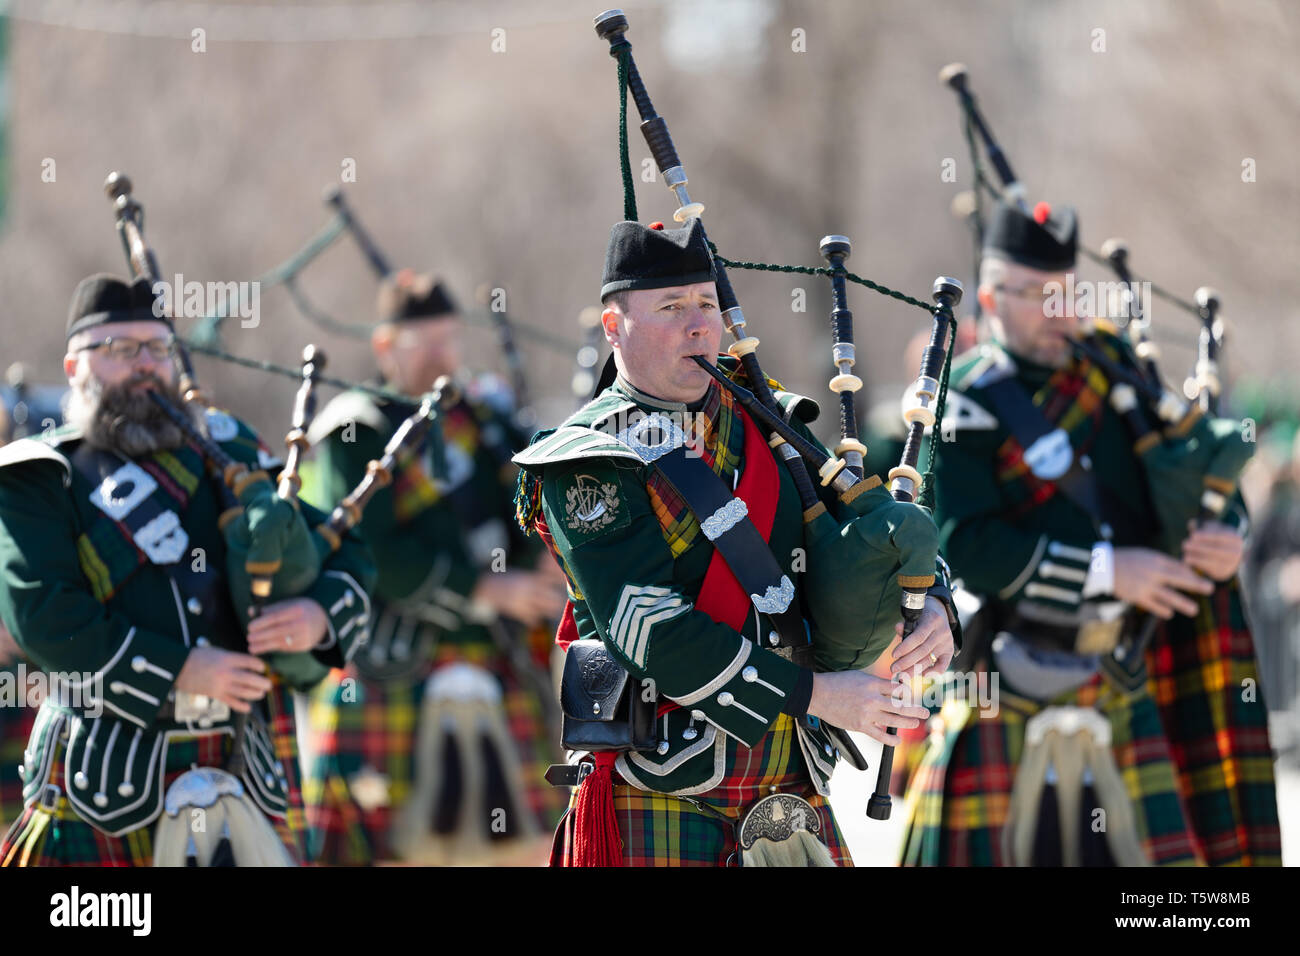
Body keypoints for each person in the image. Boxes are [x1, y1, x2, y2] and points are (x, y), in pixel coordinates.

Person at [513, 219, 957, 866]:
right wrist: (819, 695)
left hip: (793, 781)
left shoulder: (767, 415)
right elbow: (649, 631)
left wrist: (936, 597)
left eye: (706, 303)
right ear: (615, 327)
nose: (699, 325)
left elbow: (870, 519)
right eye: (671, 307)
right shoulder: (588, 461)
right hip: (663, 788)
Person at [898, 202, 1281, 866]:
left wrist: (1228, 531)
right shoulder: (963, 400)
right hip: (1001, 680)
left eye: (1068, 291)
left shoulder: (1112, 368)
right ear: (990, 299)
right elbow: (966, 547)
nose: (1061, 310)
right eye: (1040, 295)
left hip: (1122, 675)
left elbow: (1193, 462)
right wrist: (1110, 570)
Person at [0, 275, 374, 866]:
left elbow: (342, 548)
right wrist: (179, 670)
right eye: (123, 350)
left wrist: (317, 615)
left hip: (241, 763)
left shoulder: (229, 459)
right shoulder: (44, 478)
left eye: (159, 348)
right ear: (75, 366)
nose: (147, 365)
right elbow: (44, 618)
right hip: (104, 774)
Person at [302, 269, 567, 865]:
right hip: (390, 665)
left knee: (526, 848)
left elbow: (522, 511)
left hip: (499, 661)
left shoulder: (483, 419)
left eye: (450, 338)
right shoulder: (356, 429)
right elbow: (370, 551)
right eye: (423, 342)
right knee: (384, 850)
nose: (441, 356)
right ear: (384, 346)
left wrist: (548, 557)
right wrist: (485, 589)